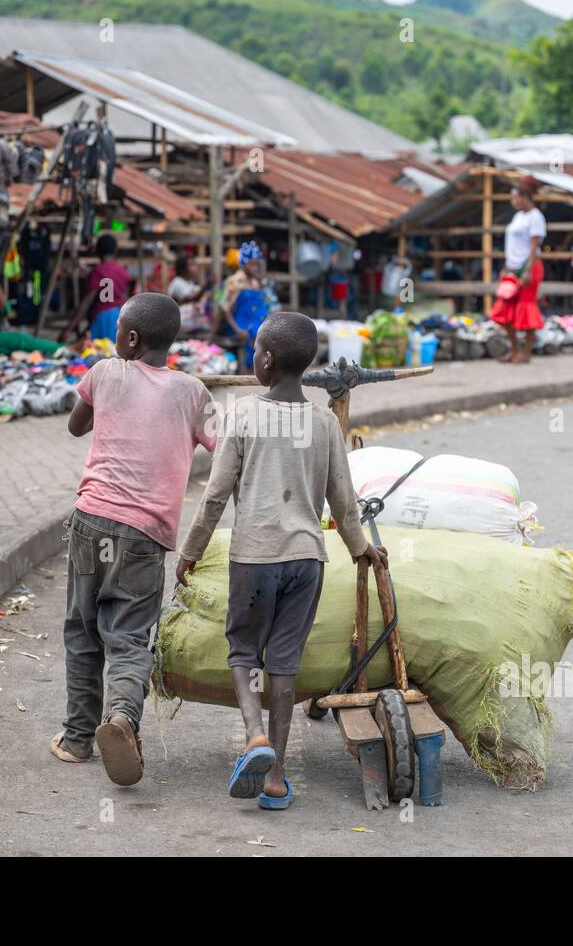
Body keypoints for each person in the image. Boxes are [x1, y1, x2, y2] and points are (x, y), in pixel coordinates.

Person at [176, 312, 387, 810]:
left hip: (255, 557)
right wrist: (361, 548)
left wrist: (190, 552)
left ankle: (254, 737)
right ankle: (278, 776)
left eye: (255, 349)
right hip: (306, 561)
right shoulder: (323, 422)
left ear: (267, 361)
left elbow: (214, 497)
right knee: (285, 664)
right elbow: (343, 500)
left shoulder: (244, 414)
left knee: (245, 652)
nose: (253, 357)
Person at [52, 292, 217, 786]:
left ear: (130, 338)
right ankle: (122, 717)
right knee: (128, 638)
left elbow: (75, 425)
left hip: (91, 520)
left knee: (82, 633)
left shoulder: (104, 372)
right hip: (146, 533)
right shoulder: (192, 391)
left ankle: (77, 738)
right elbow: (225, 446)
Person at [490, 174, 546, 364]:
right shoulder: (518, 217)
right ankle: (514, 351)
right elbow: (513, 246)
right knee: (505, 311)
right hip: (512, 269)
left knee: (526, 309)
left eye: (515, 197)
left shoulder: (536, 217)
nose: (513, 201)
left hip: (529, 269)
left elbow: (533, 248)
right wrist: (506, 268)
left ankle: (526, 353)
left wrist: (528, 271)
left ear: (525, 196)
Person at [60, 233, 129, 344]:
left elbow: (86, 302)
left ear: (97, 251)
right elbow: (125, 300)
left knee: (96, 354)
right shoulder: (122, 271)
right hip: (117, 317)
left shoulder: (97, 271)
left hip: (101, 317)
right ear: (116, 250)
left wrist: (68, 329)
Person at [215, 240, 272, 370]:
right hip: (241, 326)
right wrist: (237, 329)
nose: (255, 268)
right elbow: (224, 307)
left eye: (257, 265)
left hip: (257, 323)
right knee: (254, 337)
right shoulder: (233, 281)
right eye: (252, 264)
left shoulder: (255, 282)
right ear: (243, 264)